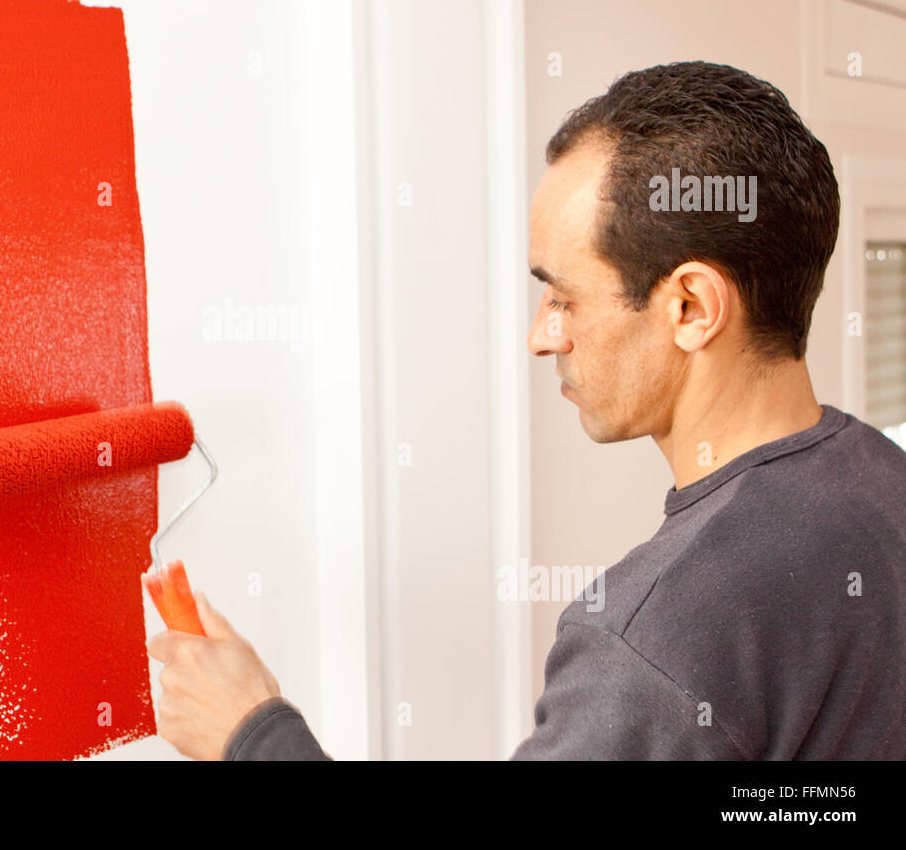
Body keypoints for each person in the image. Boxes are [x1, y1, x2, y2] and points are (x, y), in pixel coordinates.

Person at [144, 62, 906, 760]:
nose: (543, 336)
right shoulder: (880, 476)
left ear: (689, 306)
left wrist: (250, 734)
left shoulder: (653, 645)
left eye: (565, 296)